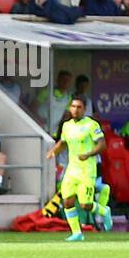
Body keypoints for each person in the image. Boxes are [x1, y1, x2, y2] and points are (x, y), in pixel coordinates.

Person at [46, 95, 107, 240]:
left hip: (87, 170)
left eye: (79, 107)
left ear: (85, 109)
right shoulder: (67, 126)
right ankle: (77, 233)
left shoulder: (92, 125)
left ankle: (105, 211)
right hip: (72, 169)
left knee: (85, 205)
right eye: (73, 106)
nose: (75, 110)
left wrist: (88, 154)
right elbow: (62, 142)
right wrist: (53, 152)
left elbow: (102, 145)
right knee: (67, 201)